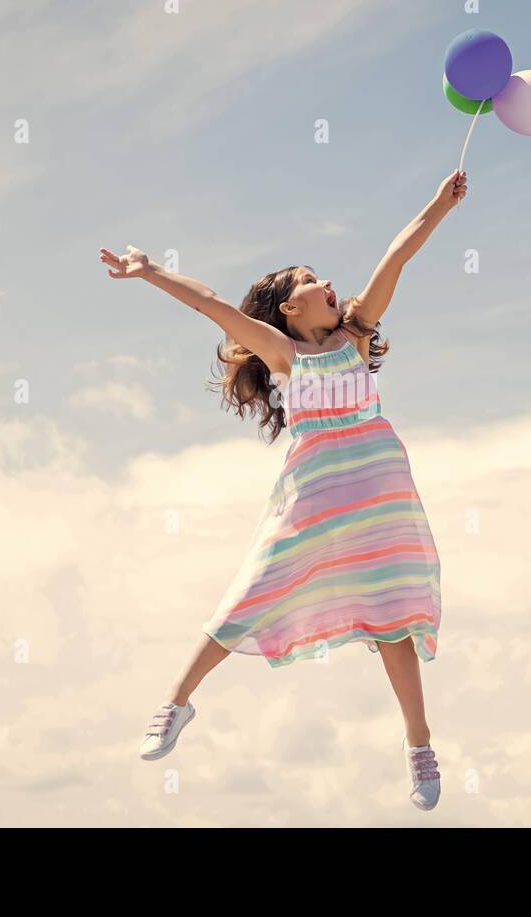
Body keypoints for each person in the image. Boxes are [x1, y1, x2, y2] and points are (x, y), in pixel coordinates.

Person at [99, 169, 467, 810]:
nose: (330, 285)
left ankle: (419, 744)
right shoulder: (282, 354)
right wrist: (150, 270)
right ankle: (176, 703)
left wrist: (438, 204)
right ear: (289, 310)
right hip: (314, 501)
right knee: (253, 589)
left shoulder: (355, 334)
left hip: (382, 496)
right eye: (312, 284)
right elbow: (211, 302)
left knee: (394, 620)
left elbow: (397, 254)